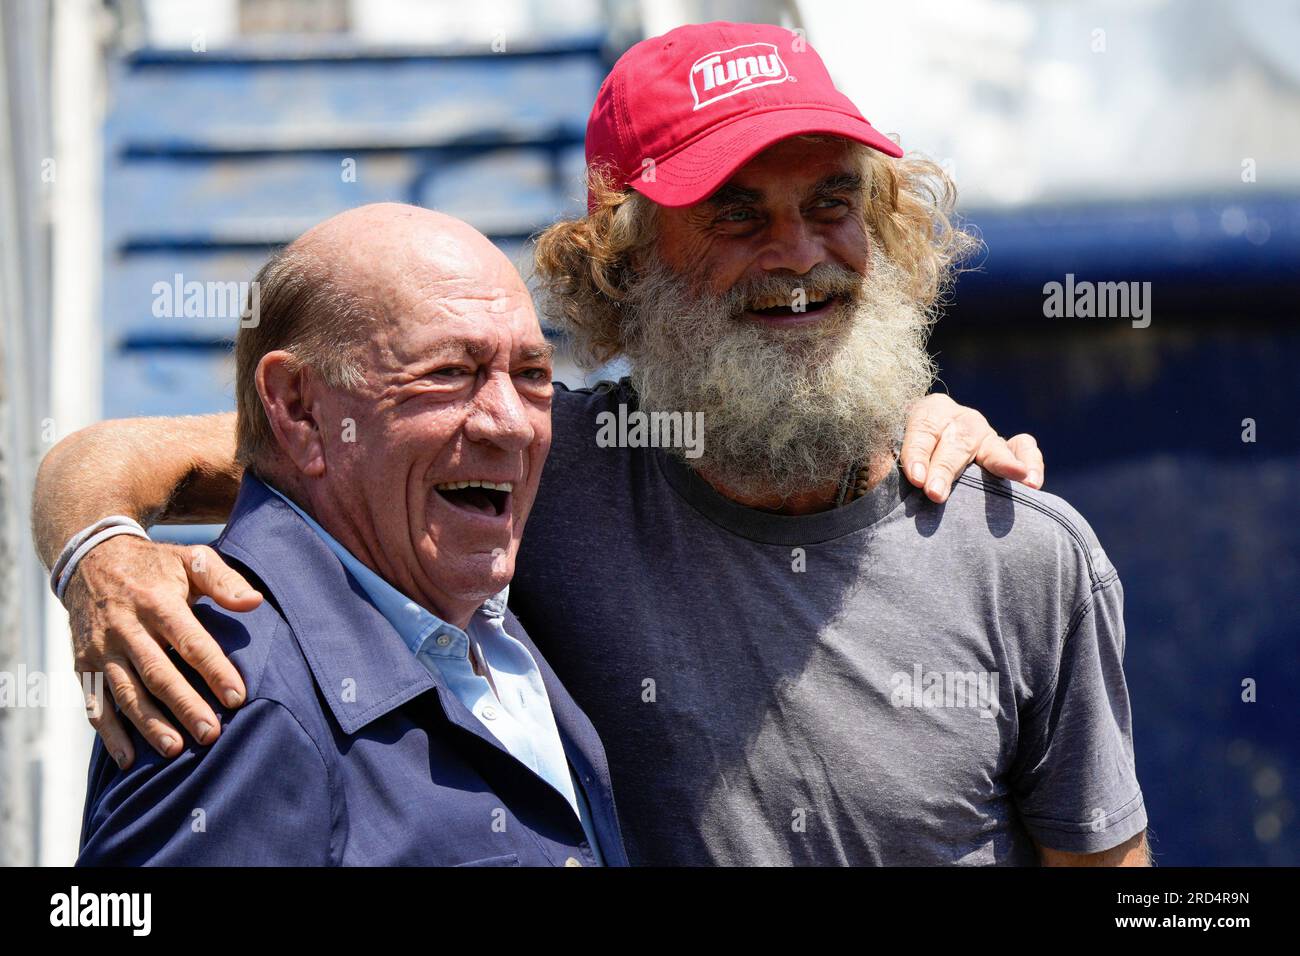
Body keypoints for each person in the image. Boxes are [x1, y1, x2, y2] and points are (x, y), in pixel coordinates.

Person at [36, 22, 1146, 865]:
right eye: (736, 214)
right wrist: (98, 555)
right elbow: (132, 455)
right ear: (625, 268)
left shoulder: (1021, 549)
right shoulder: (526, 467)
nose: (801, 252)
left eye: (833, 200)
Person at [76, 205, 625, 866]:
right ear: (302, 410)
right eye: (450, 372)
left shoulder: (482, 613)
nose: (510, 423)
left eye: (533, 374)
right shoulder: (236, 695)